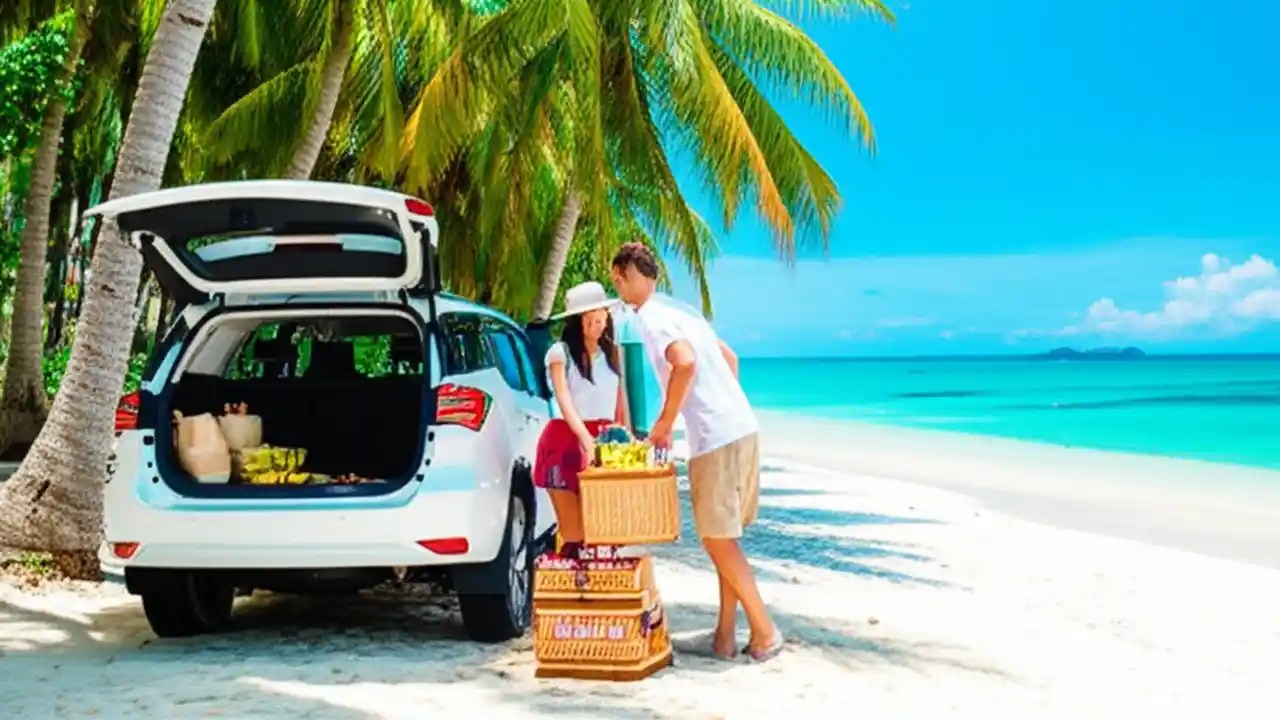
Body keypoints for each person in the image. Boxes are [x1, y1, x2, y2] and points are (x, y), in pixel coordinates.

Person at [609, 242, 783, 663]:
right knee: (727, 539)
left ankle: (765, 632)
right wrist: (725, 405)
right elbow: (729, 358)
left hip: (717, 437)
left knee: (718, 540)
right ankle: (724, 638)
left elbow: (685, 364)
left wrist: (667, 422)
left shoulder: (650, 316)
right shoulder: (680, 310)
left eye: (617, 279)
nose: (617, 287)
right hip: (742, 427)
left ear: (631, 273)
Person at [533, 281, 629, 560]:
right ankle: (572, 593)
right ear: (578, 322)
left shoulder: (613, 353)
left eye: (601, 318)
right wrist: (586, 441)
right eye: (591, 320)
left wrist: (623, 439)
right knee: (574, 534)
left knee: (606, 531)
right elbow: (565, 402)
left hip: (605, 440)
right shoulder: (560, 353)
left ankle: (601, 596)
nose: (599, 326)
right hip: (566, 442)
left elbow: (620, 403)